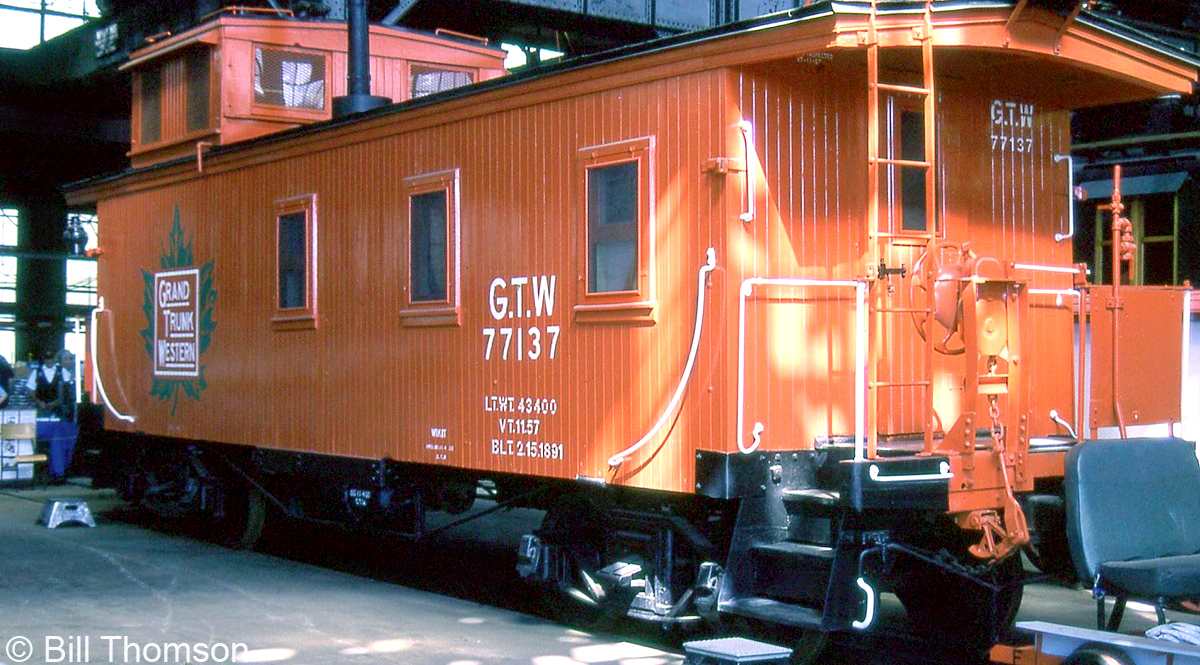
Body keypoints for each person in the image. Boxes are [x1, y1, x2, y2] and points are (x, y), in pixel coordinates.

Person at [26, 349, 77, 484]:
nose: (49, 361)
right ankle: (43, 470)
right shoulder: (37, 372)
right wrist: (38, 401)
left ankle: (57, 472)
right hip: (42, 411)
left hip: (58, 411)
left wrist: (58, 401)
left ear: (54, 359)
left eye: (51, 359)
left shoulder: (61, 371)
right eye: (47, 359)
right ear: (44, 360)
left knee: (59, 439)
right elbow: (30, 389)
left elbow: (69, 386)